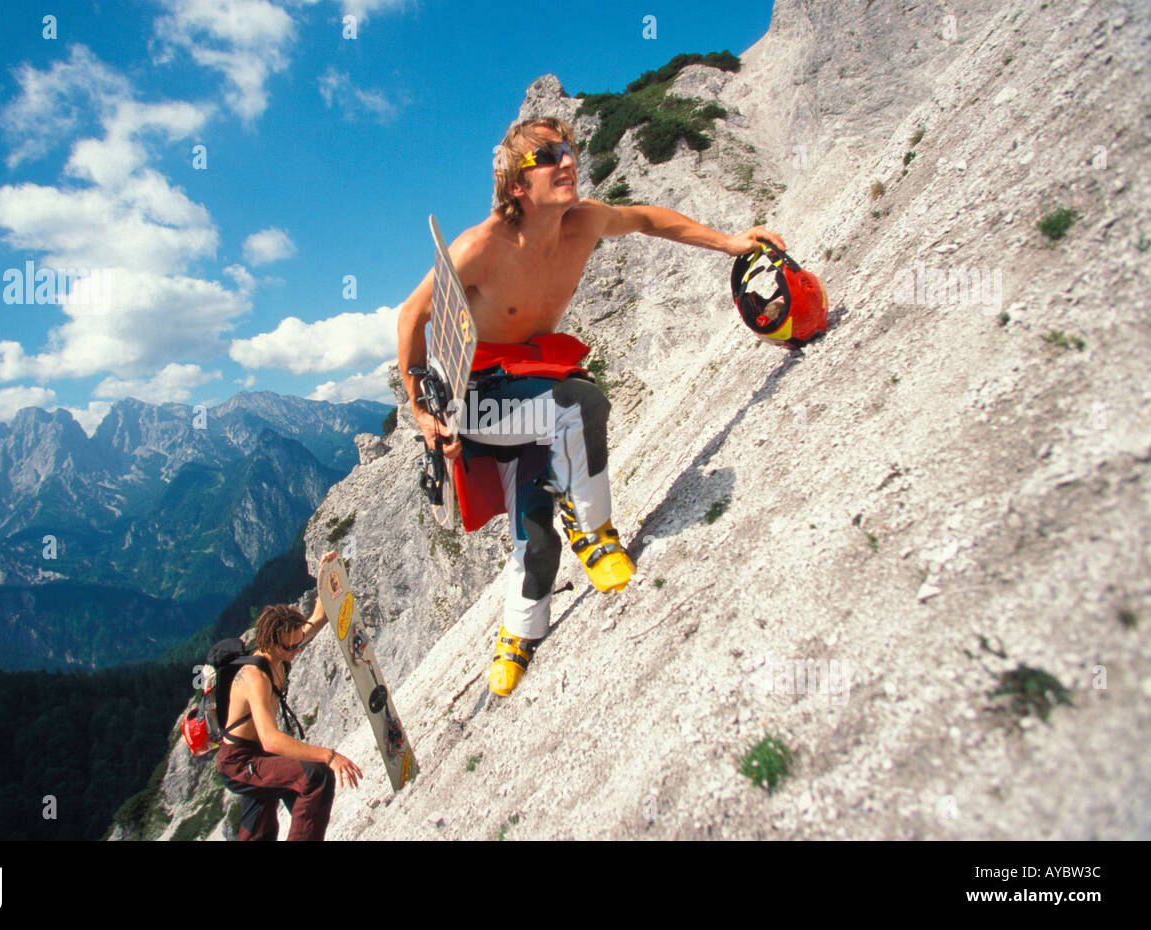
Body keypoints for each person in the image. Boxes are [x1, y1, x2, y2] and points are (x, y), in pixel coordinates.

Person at [397, 116, 787, 698]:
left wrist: (731, 242)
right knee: (579, 404)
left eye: (569, 149)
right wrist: (423, 412)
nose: (567, 160)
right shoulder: (480, 247)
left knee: (535, 528)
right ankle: (598, 531)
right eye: (548, 155)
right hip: (476, 403)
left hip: (534, 386)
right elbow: (412, 315)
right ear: (516, 185)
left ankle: (517, 636)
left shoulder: (586, 222)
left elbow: (652, 220)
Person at [216, 550, 362, 841]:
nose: (297, 651)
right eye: (291, 647)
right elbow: (270, 739)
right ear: (270, 643)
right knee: (315, 777)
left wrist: (325, 571)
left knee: (261, 827)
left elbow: (319, 618)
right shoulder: (255, 677)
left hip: (256, 756)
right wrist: (329, 756)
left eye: (298, 644)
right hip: (238, 762)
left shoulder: (281, 650)